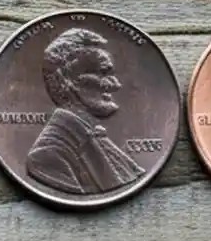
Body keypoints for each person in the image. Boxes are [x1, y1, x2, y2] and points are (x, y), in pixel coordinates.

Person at [26, 28, 144, 194]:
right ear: (67, 80)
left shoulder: (97, 137)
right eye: (103, 73)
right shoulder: (47, 155)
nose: (116, 84)